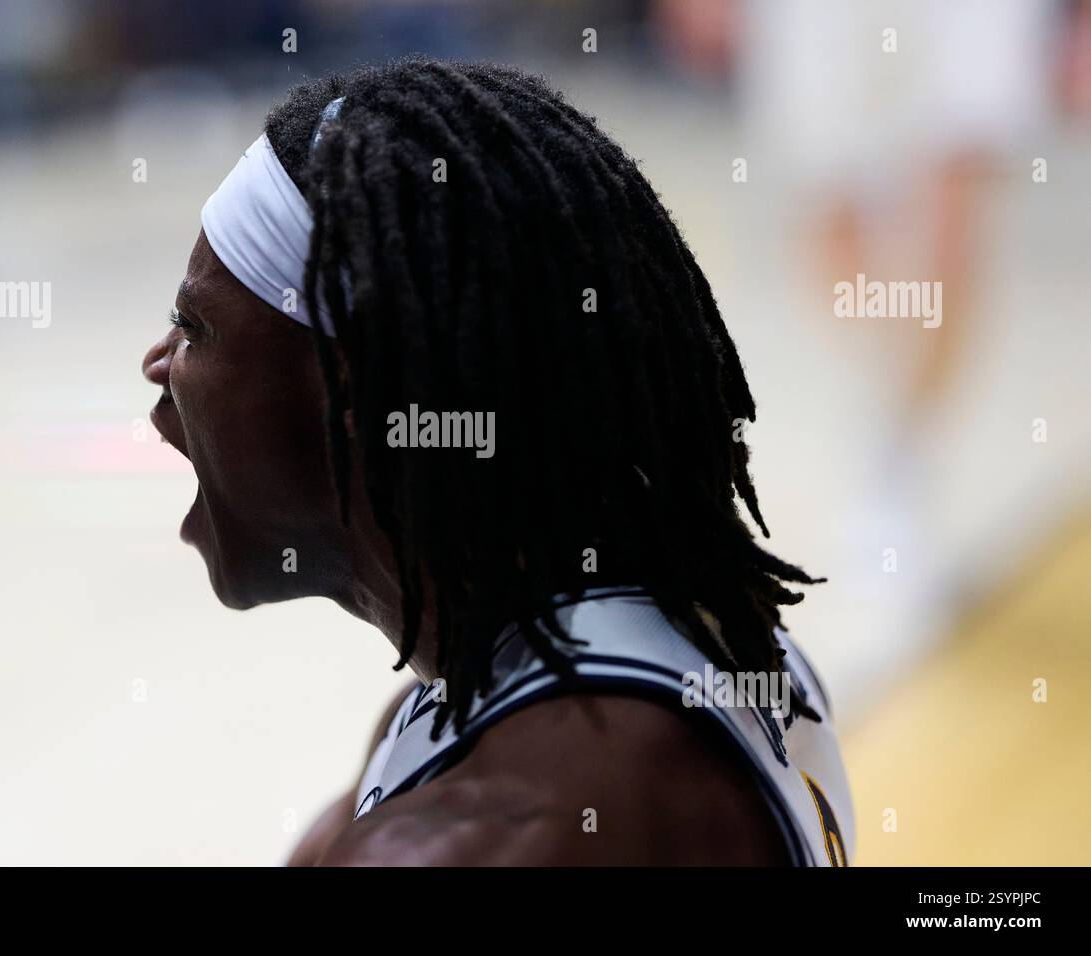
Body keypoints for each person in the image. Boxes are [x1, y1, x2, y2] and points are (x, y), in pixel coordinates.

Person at [141, 58, 851, 865]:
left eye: (192, 326)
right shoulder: (712, 653)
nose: (157, 364)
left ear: (352, 387)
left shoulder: (487, 837)